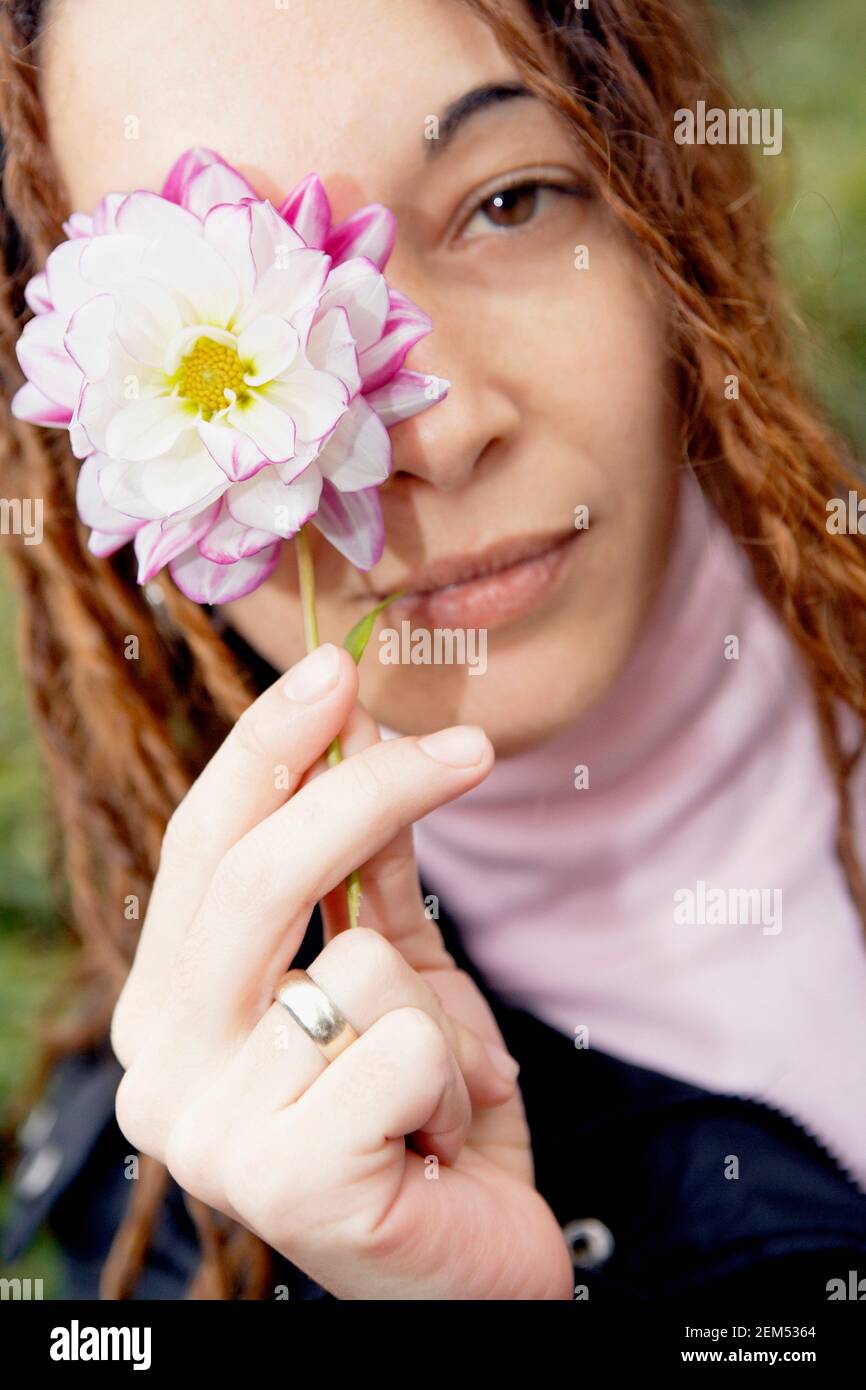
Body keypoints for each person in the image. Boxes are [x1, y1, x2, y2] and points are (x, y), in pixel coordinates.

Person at [2, 0, 866, 1300]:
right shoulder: (179, 1232)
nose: (434, 424)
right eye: (232, 326)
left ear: (668, 214)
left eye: (509, 202)